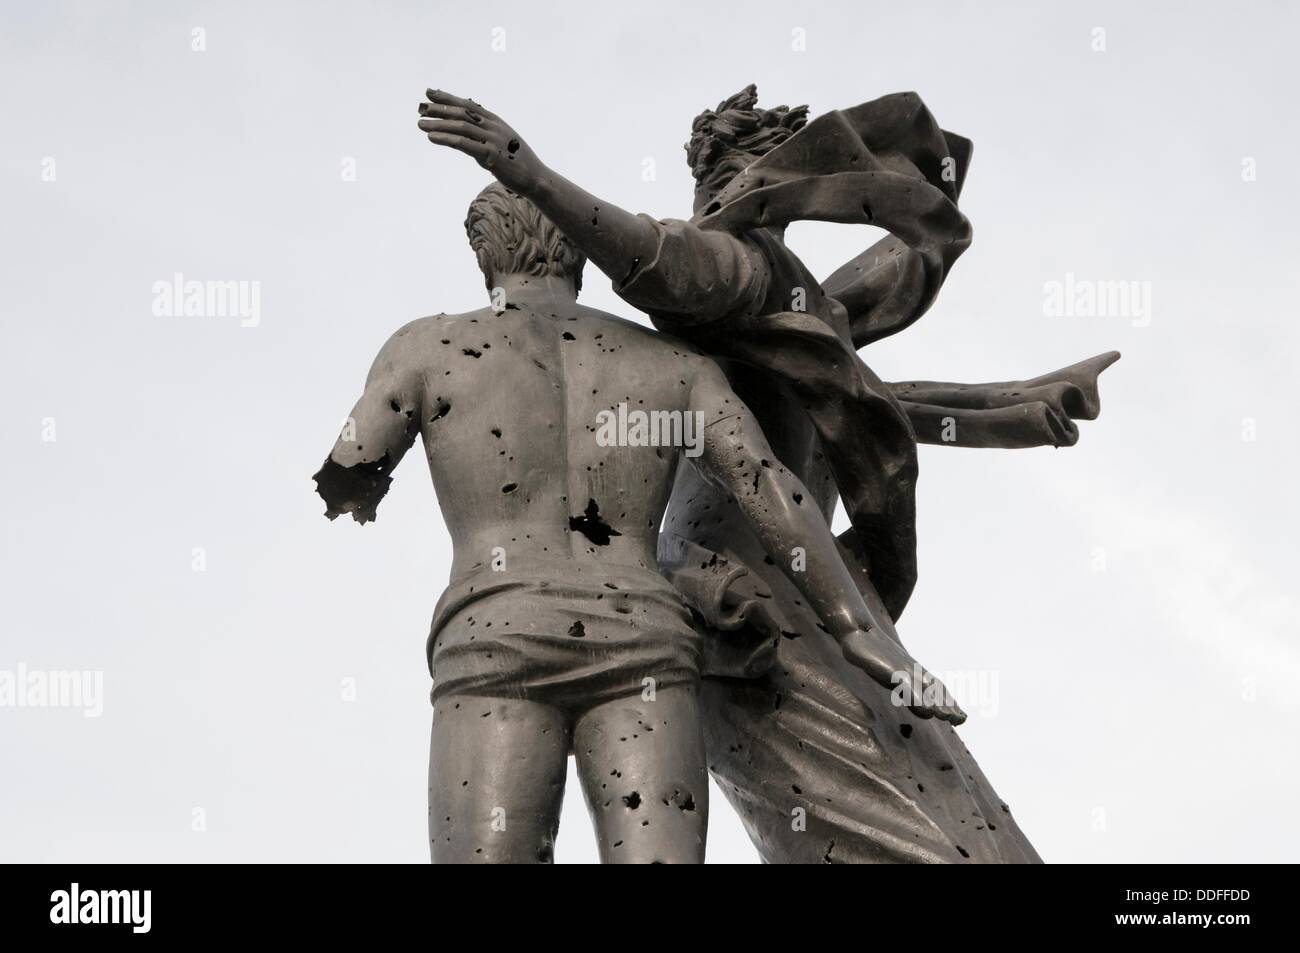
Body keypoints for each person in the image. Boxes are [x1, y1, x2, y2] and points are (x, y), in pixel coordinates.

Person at [417, 85, 1116, 863]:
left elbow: (860, 400)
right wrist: (532, 174)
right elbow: (646, 257)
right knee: (902, 831)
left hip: (809, 594)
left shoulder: (781, 307)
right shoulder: (724, 265)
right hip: (752, 607)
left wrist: (1017, 407)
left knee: (937, 821)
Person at [313, 183, 962, 864]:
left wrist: (357, 490)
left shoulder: (428, 345)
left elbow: (351, 464)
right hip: (645, 642)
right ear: (579, 254)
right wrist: (861, 631)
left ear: (484, 258)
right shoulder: (672, 363)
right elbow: (768, 484)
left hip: (497, 636)